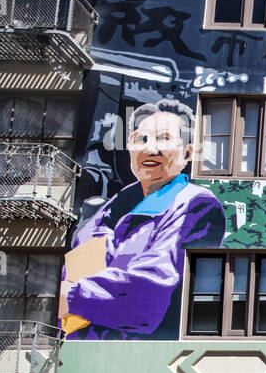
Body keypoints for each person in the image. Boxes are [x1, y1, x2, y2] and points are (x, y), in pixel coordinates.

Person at [61, 99, 225, 340]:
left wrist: (71, 296)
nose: (150, 149)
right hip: (80, 350)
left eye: (164, 138)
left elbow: (145, 296)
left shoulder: (196, 205)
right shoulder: (110, 210)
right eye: (141, 139)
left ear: (188, 152)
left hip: (141, 355)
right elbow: (73, 272)